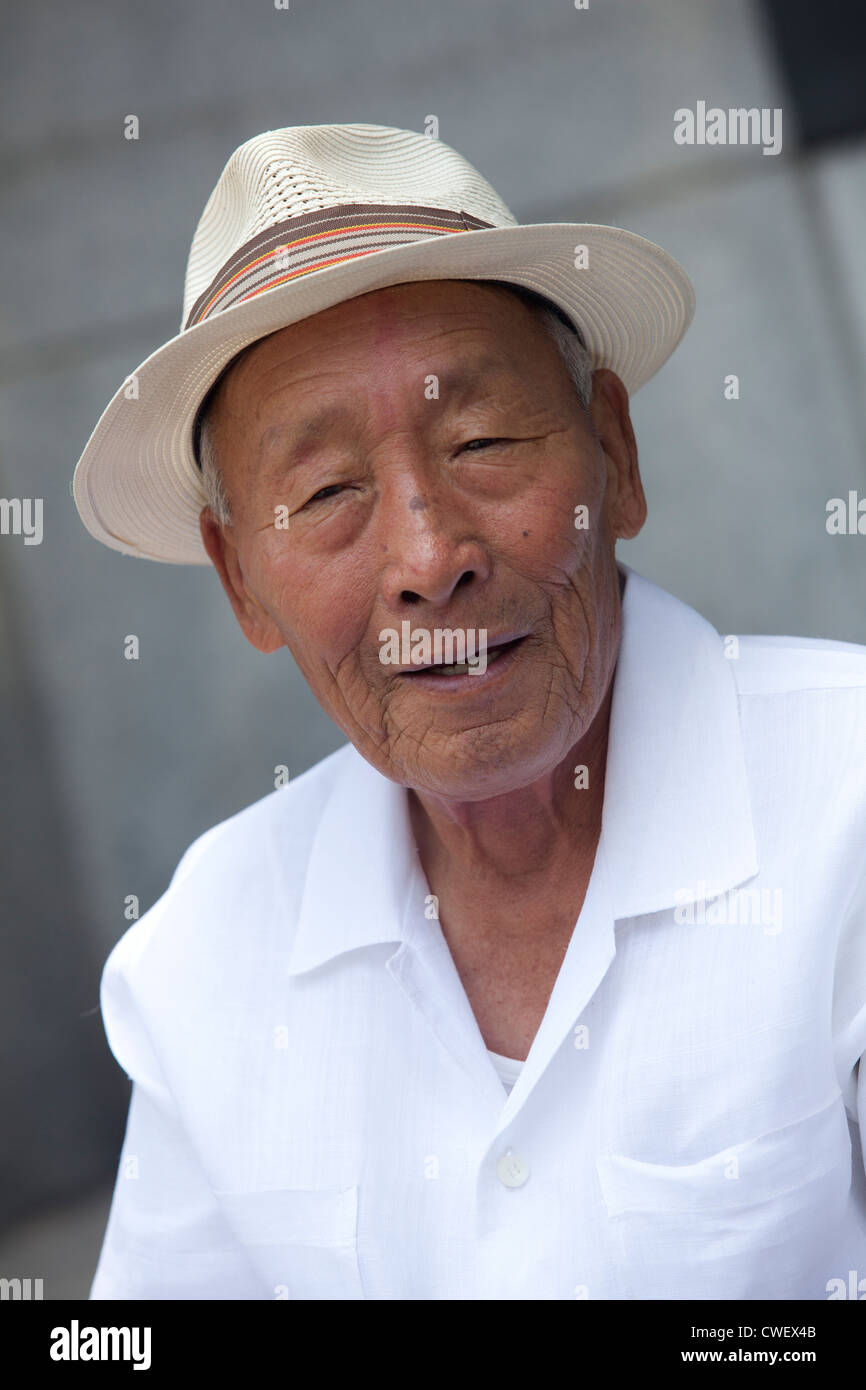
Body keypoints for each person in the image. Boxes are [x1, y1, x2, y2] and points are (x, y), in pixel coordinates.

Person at [74, 123, 866, 1300]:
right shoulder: (201, 965)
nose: (428, 556)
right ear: (240, 577)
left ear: (613, 452)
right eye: (328, 492)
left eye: (482, 440)